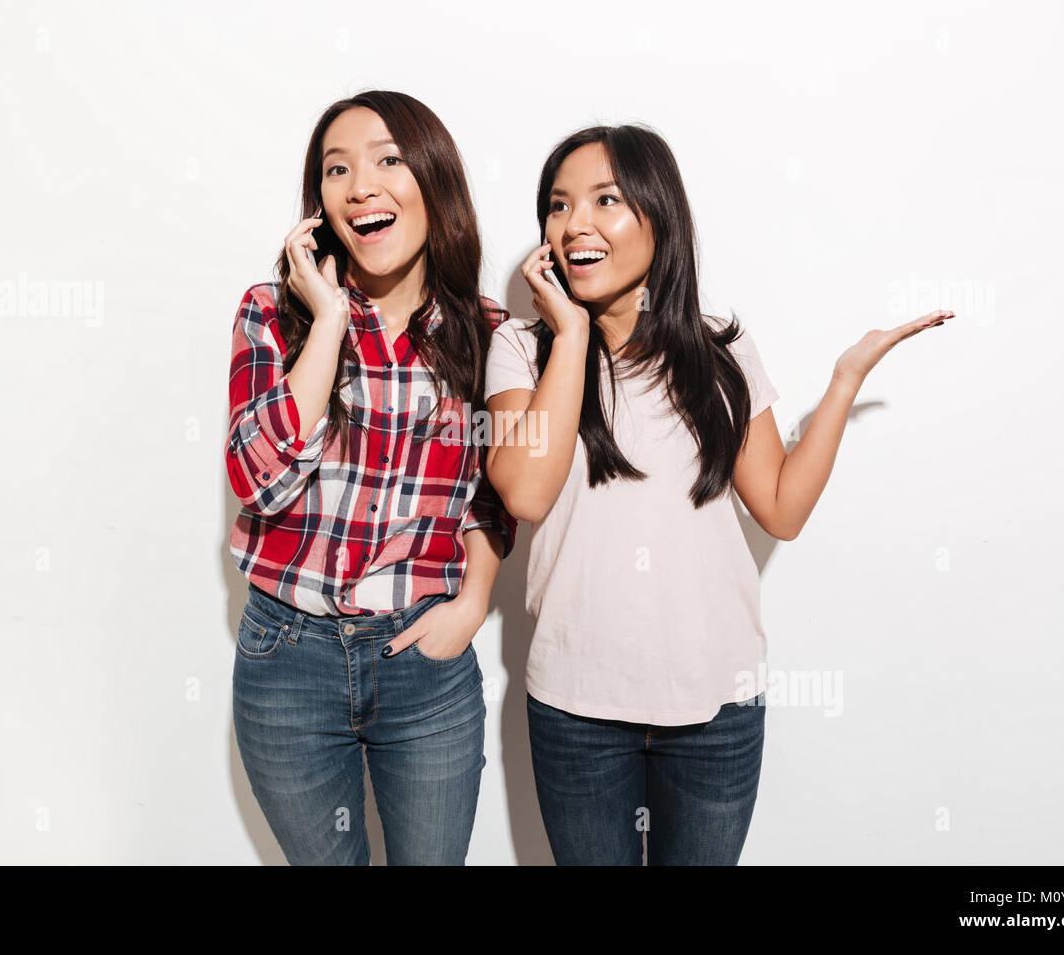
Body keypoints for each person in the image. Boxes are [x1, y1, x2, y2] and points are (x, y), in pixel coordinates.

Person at [484, 124, 952, 865]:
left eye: (605, 199)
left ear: (658, 215)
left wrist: (843, 381)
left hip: (716, 709)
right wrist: (570, 334)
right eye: (558, 205)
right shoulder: (522, 346)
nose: (574, 224)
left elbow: (780, 508)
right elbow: (524, 492)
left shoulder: (720, 348)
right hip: (576, 706)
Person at [225, 91, 516, 865]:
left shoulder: (489, 335)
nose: (361, 186)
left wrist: (475, 600)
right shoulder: (271, 313)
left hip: (425, 658)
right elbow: (261, 482)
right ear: (318, 203)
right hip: (287, 660)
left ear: (433, 181)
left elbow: (499, 493)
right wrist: (326, 325)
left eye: (388, 159)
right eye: (336, 170)